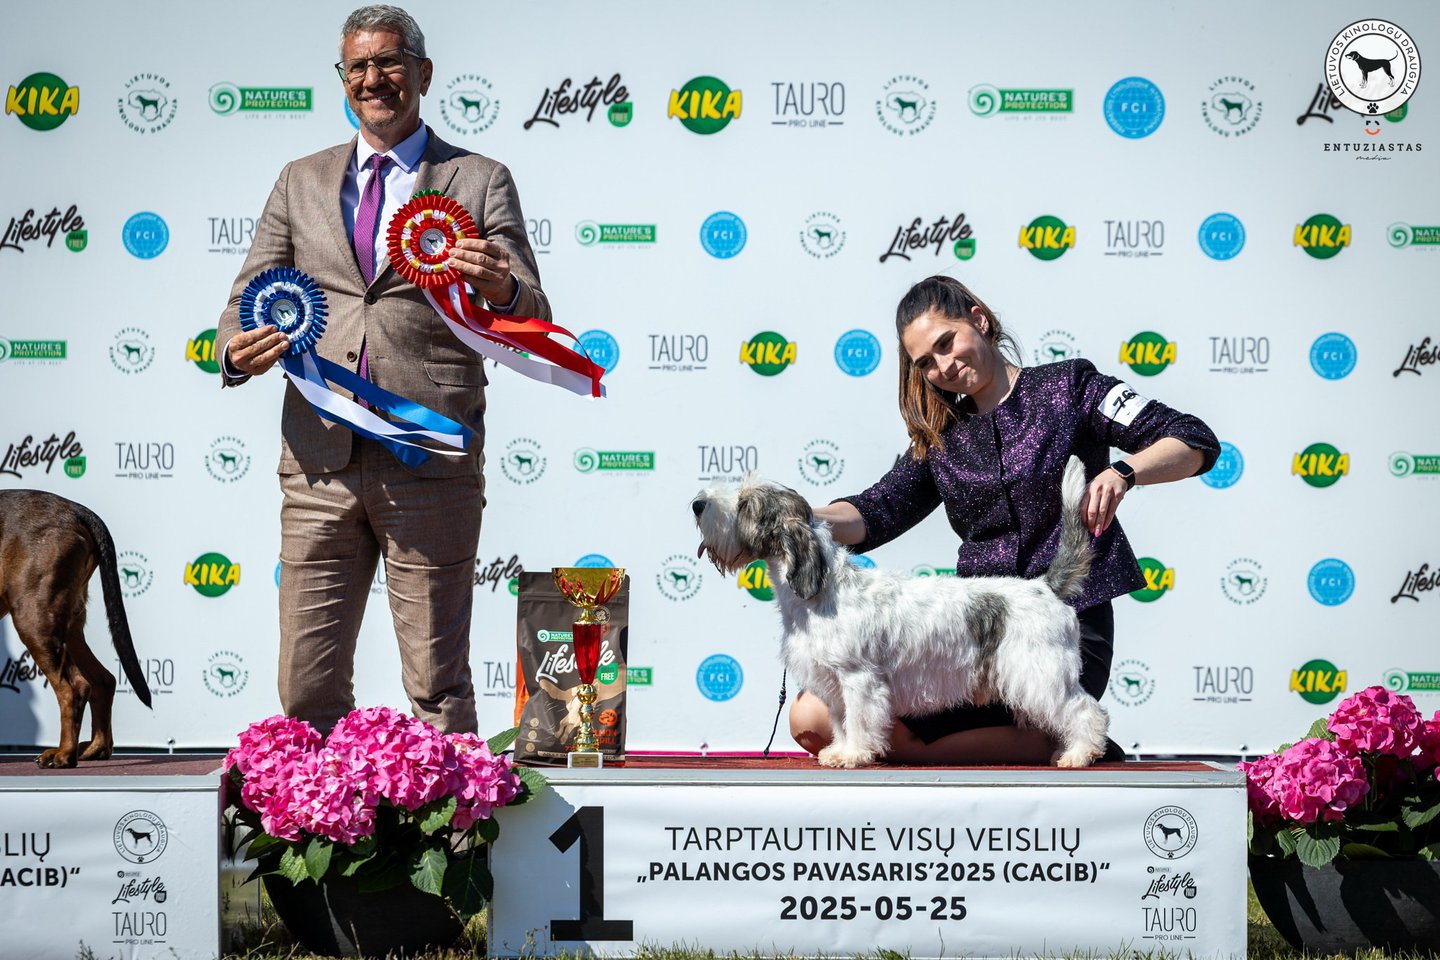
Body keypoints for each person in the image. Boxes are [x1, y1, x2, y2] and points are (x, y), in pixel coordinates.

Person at [215, 4, 548, 734]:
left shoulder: (479, 178)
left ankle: (452, 809)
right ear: (343, 79)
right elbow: (245, 299)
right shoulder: (299, 180)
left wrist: (501, 287)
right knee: (305, 683)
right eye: (357, 66)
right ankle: (320, 802)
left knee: (437, 682)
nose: (373, 78)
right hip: (318, 462)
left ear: (423, 73)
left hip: (427, 455)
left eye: (389, 61)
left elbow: (531, 306)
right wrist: (233, 349)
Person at [792, 276, 1218, 764]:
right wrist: (793, 516)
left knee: (907, 742)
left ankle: (1056, 733)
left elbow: (1193, 439)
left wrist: (1124, 472)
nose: (943, 367)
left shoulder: (1071, 387)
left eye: (946, 343)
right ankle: (1035, 742)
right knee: (812, 718)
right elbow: (875, 511)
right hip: (970, 639)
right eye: (925, 363)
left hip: (1066, 621)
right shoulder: (941, 436)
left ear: (979, 319)